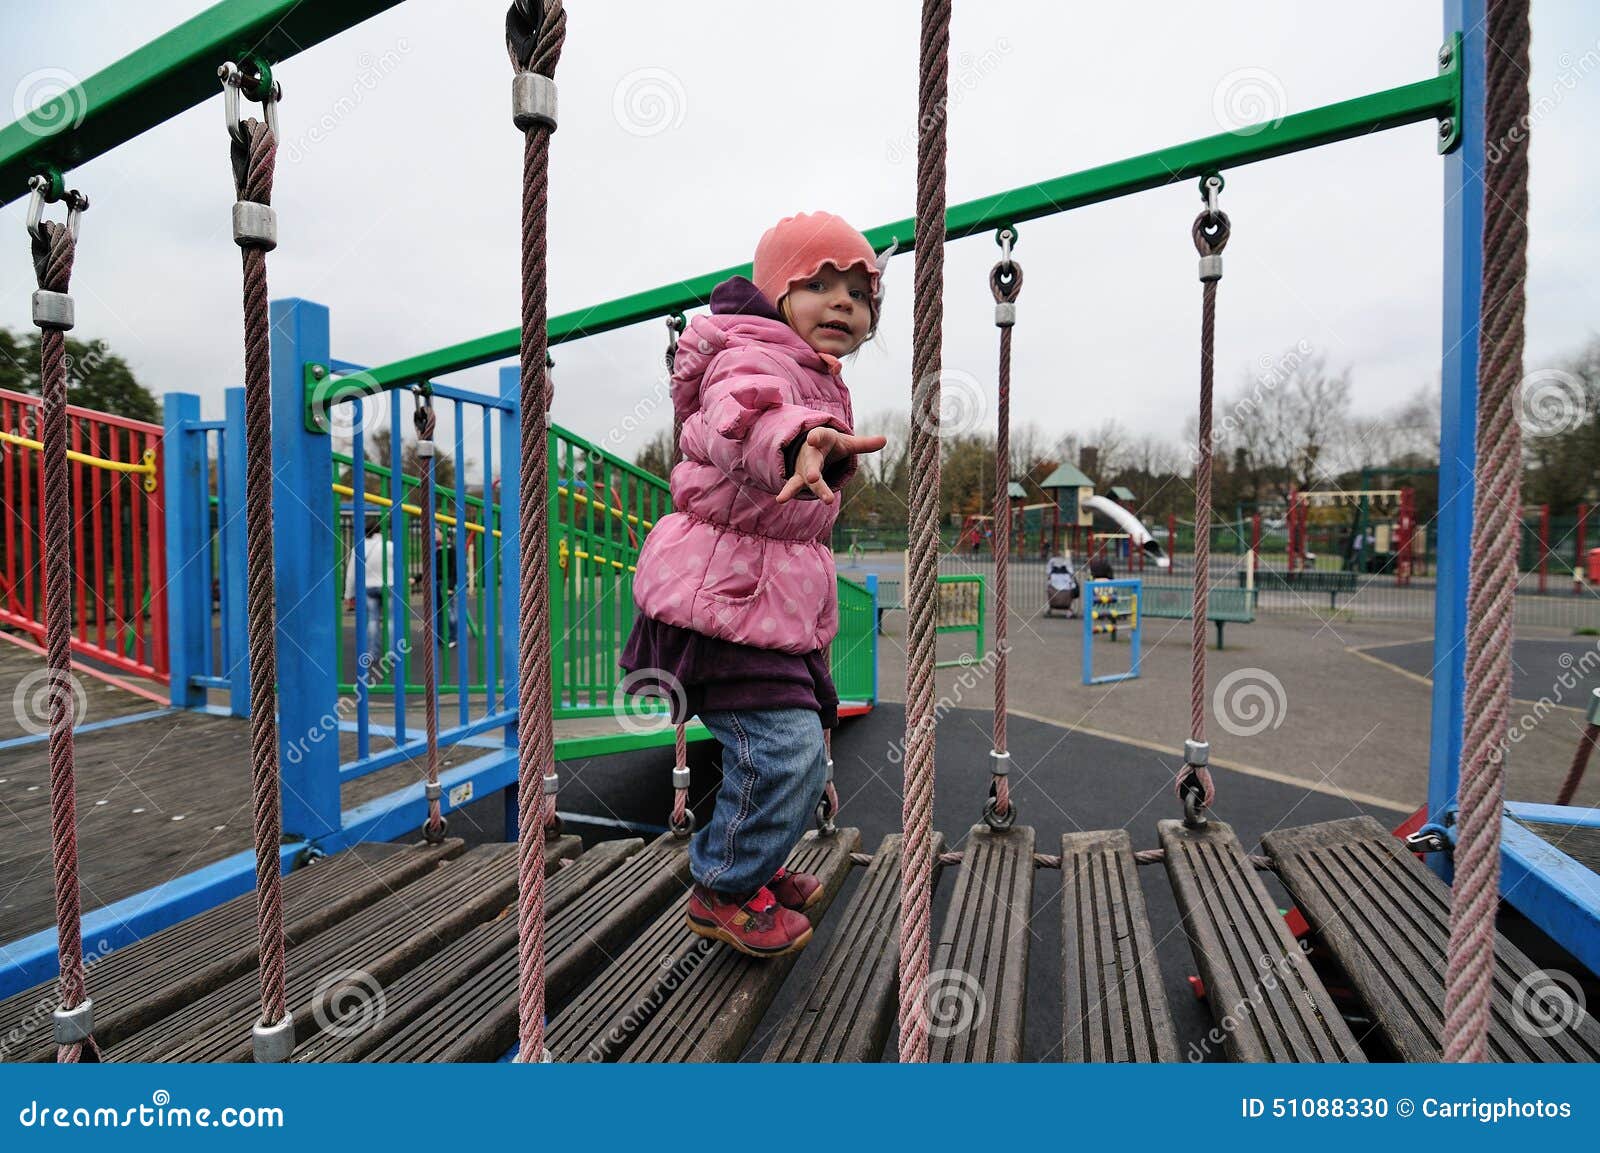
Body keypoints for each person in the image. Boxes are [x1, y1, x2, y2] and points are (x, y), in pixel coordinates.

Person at [619, 212, 887, 957]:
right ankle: (724, 885)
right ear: (775, 297)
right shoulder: (746, 357)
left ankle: (753, 866)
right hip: (721, 599)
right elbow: (746, 421)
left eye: (860, 295)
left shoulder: (816, 374)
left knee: (802, 748)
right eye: (819, 284)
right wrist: (799, 441)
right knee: (783, 752)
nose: (843, 304)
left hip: (769, 600)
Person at [344, 515, 395, 673]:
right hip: (388, 585)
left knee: (372, 620)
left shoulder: (359, 547)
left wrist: (348, 594)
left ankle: (372, 652)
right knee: (391, 620)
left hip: (368, 586)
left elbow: (351, 573)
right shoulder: (390, 546)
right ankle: (392, 652)